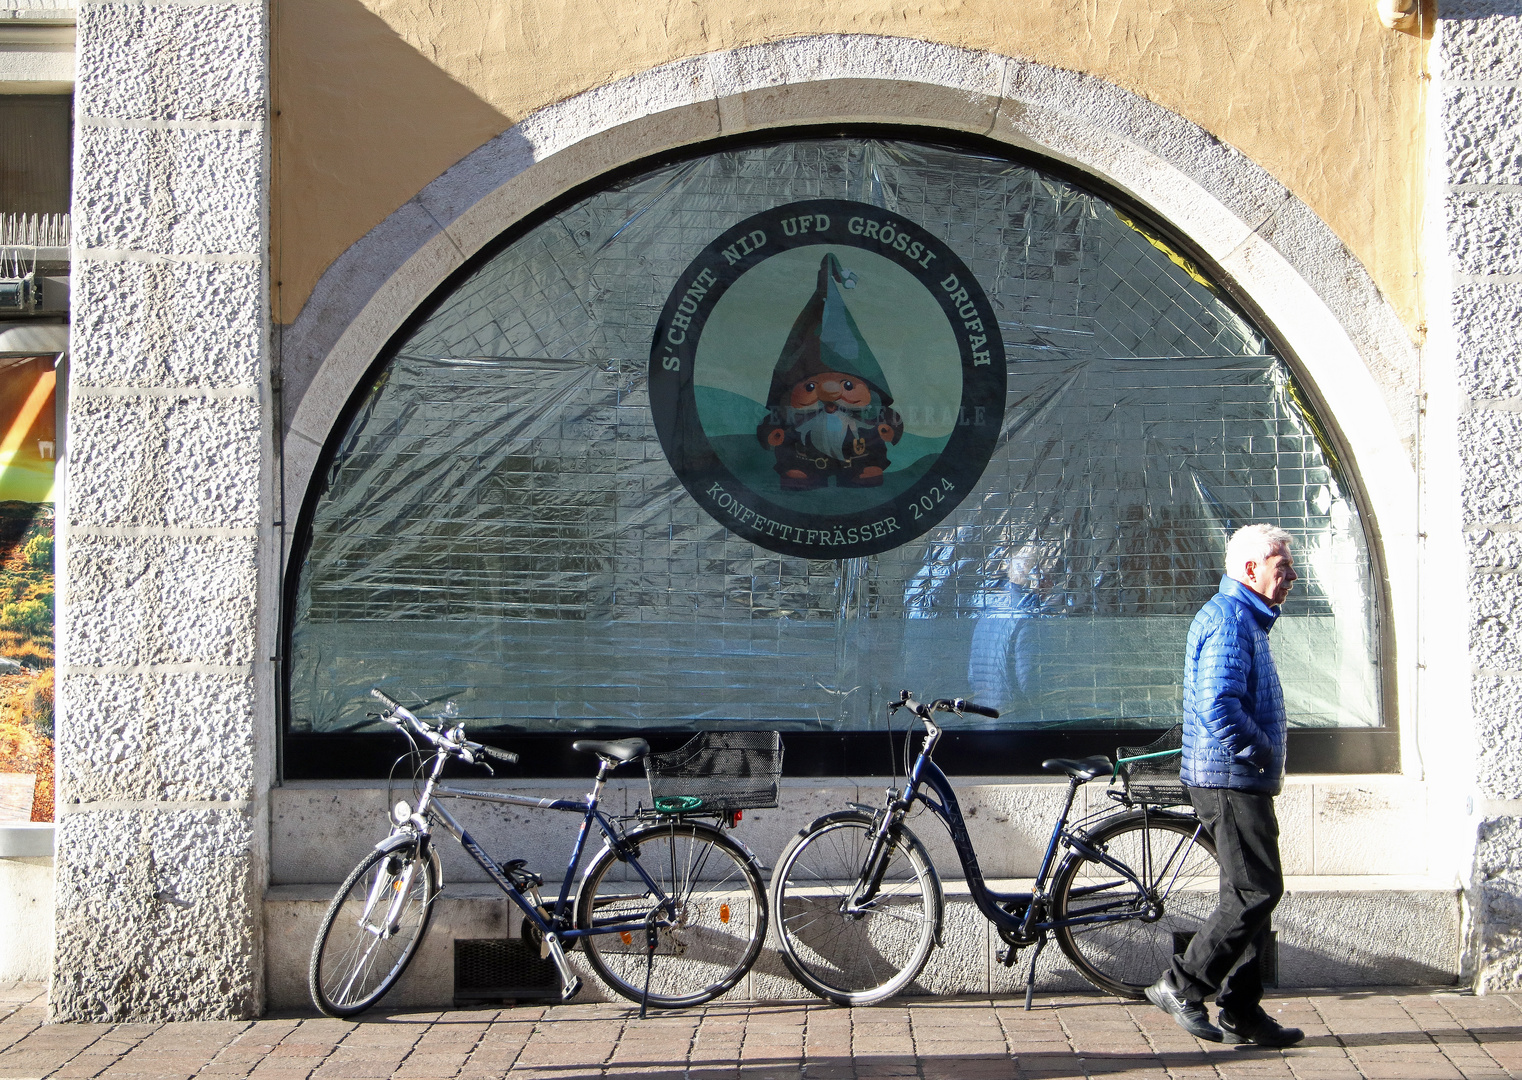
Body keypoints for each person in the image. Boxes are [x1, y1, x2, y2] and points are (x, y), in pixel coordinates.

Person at [1145, 523, 1305, 1048]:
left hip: (1238, 777)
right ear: (1250, 568)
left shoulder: (1244, 618)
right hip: (1231, 778)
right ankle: (1184, 983)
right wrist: (1259, 750)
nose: (1292, 579)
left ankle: (1242, 1011)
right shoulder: (1233, 621)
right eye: (1282, 569)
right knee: (1258, 889)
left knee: (1248, 893)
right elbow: (1218, 705)